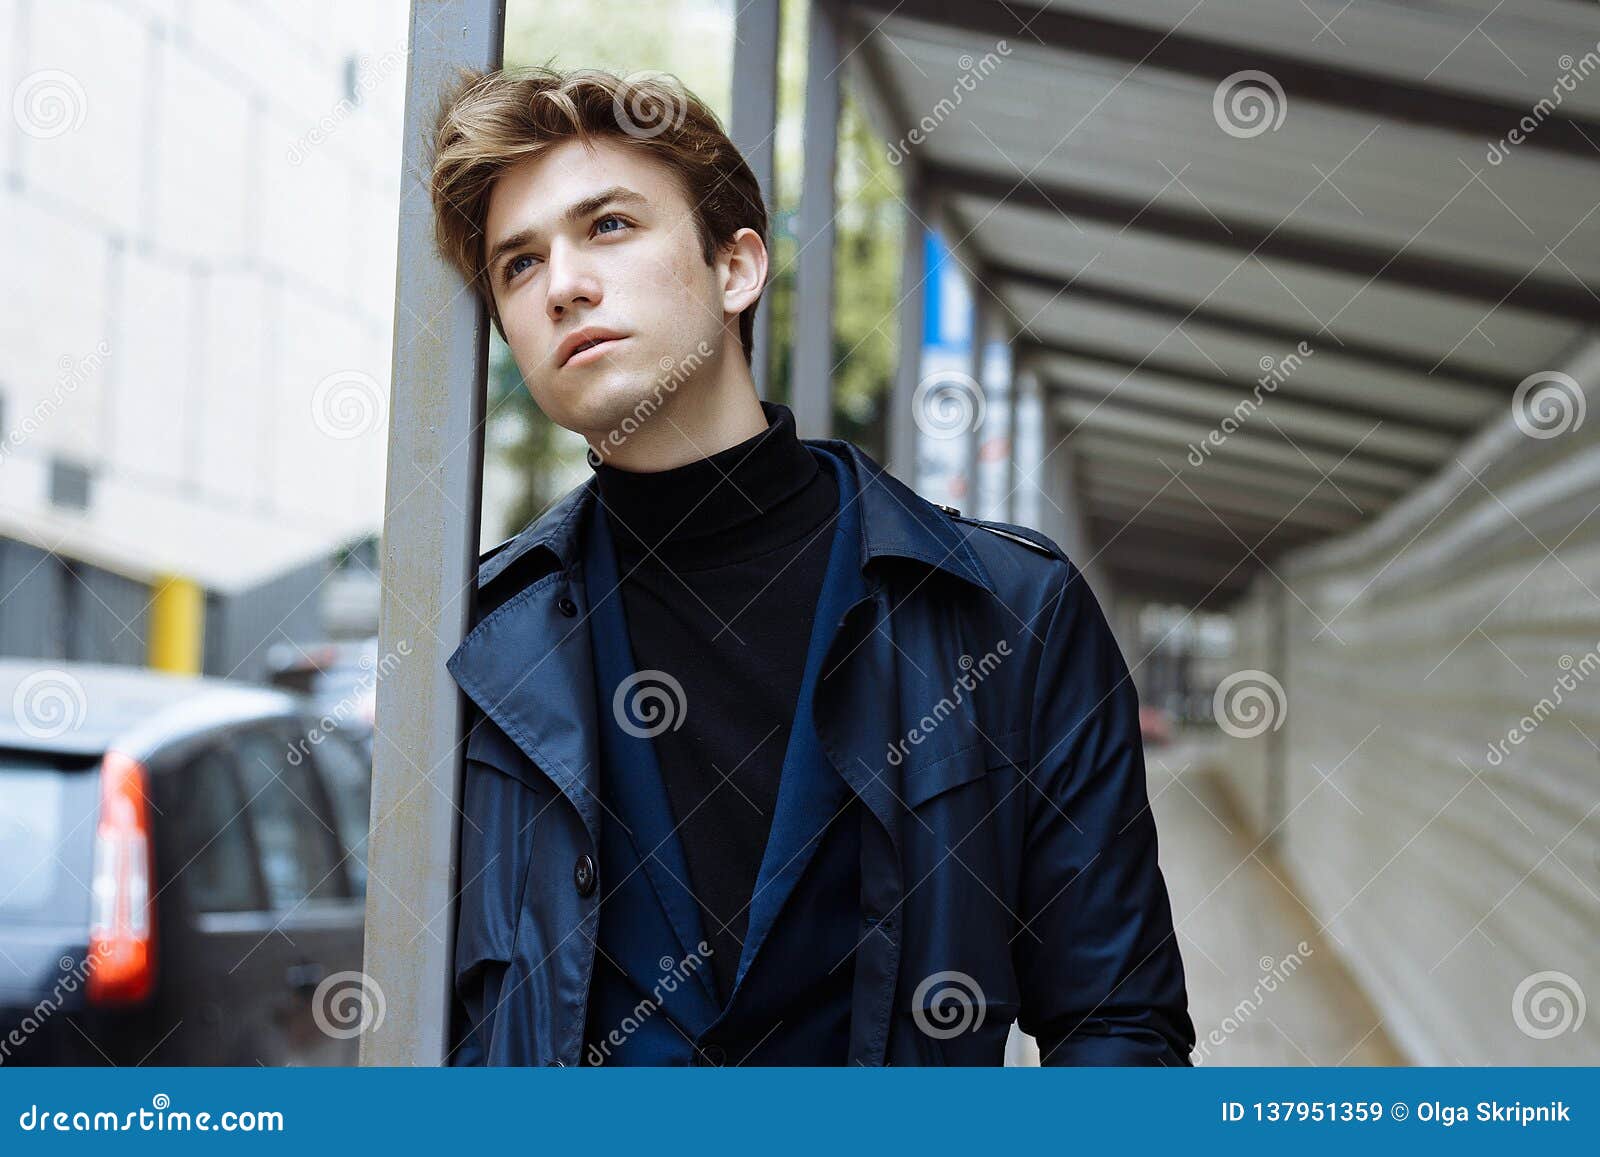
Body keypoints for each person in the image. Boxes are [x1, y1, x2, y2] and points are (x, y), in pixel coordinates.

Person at [429, 66, 1194, 1066]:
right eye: (517, 265)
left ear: (738, 269)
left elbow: (1117, 1027)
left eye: (609, 226)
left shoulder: (1005, 611)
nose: (563, 283)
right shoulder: (478, 644)